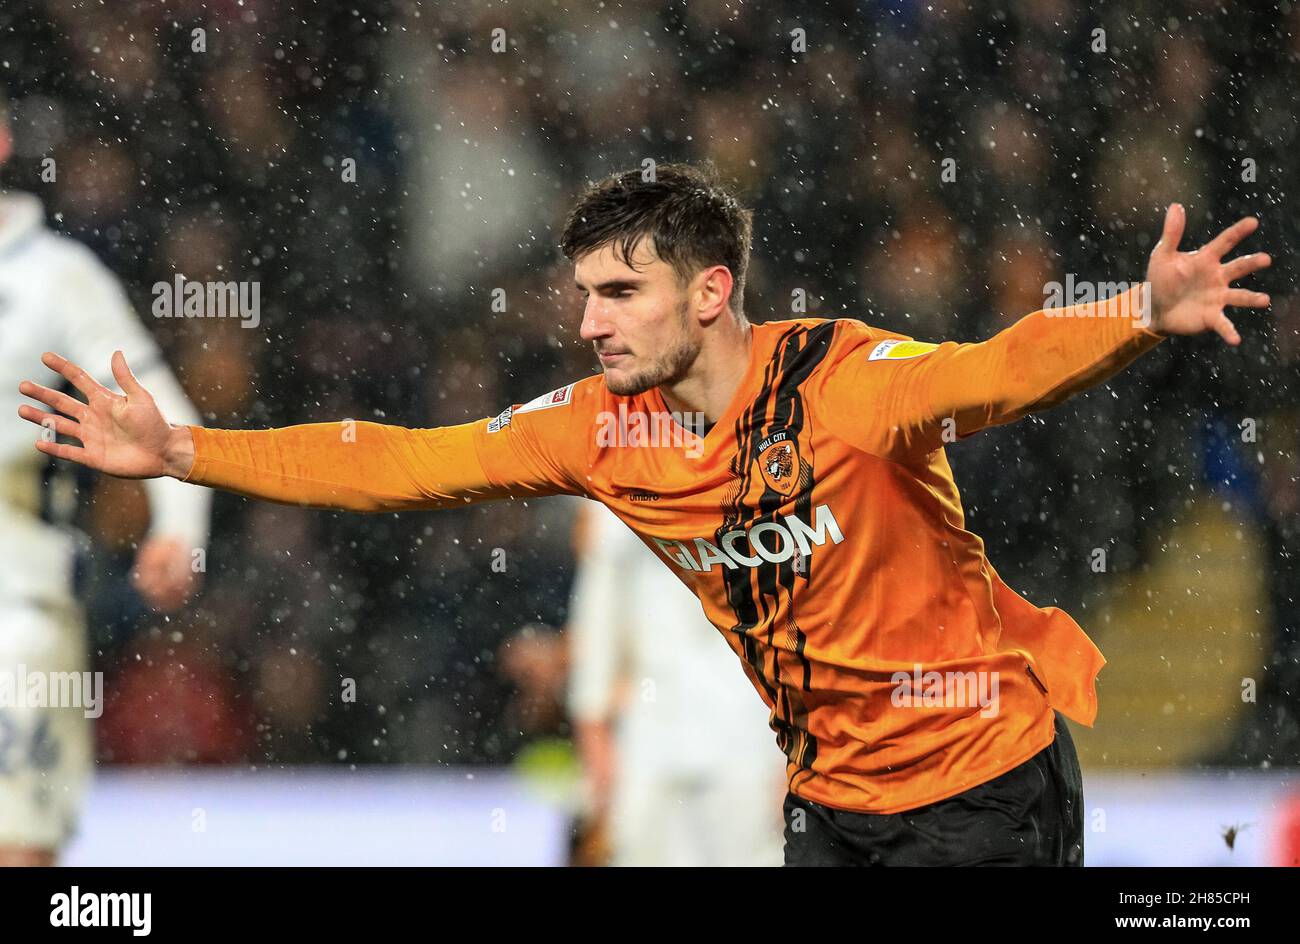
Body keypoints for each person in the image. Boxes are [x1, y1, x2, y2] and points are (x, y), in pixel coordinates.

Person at [16, 162, 1272, 865]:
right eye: (582, 293)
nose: (588, 321)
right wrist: (182, 447)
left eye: (619, 291)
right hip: (831, 802)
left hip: (985, 787)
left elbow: (993, 367)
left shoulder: (840, 381)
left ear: (711, 291)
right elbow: (398, 460)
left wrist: (1134, 313)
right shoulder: (598, 428)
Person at [0, 105, 211, 866]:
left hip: (16, 602)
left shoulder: (57, 277)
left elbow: (159, 415)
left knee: (17, 842)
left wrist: (179, 527)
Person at [568, 498, 784, 866]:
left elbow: (803, 618)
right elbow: (599, 620)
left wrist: (797, 754)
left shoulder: (773, 483)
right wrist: (593, 731)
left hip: (751, 739)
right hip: (650, 741)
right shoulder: (618, 486)